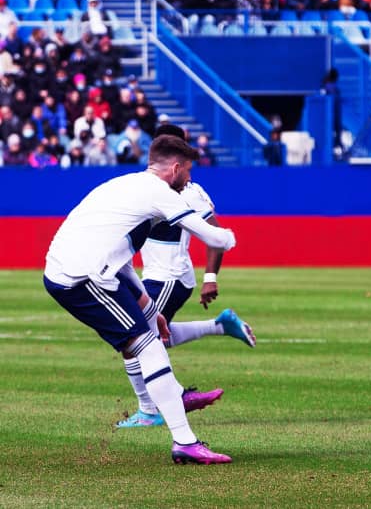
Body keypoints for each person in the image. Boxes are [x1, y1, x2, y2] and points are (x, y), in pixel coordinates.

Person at [44, 134, 238, 464]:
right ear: (175, 168)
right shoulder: (161, 193)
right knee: (146, 344)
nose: (189, 179)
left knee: (149, 330)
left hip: (87, 267)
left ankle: (173, 398)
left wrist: (147, 305)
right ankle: (184, 439)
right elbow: (214, 236)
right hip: (80, 277)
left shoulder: (128, 185)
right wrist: (230, 236)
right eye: (188, 172)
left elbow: (118, 254)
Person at [117, 124, 256, 429]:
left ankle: (150, 410)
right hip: (152, 276)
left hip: (170, 278)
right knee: (144, 340)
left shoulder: (190, 192)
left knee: (137, 340)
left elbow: (217, 234)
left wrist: (210, 277)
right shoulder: (147, 187)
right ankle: (220, 326)